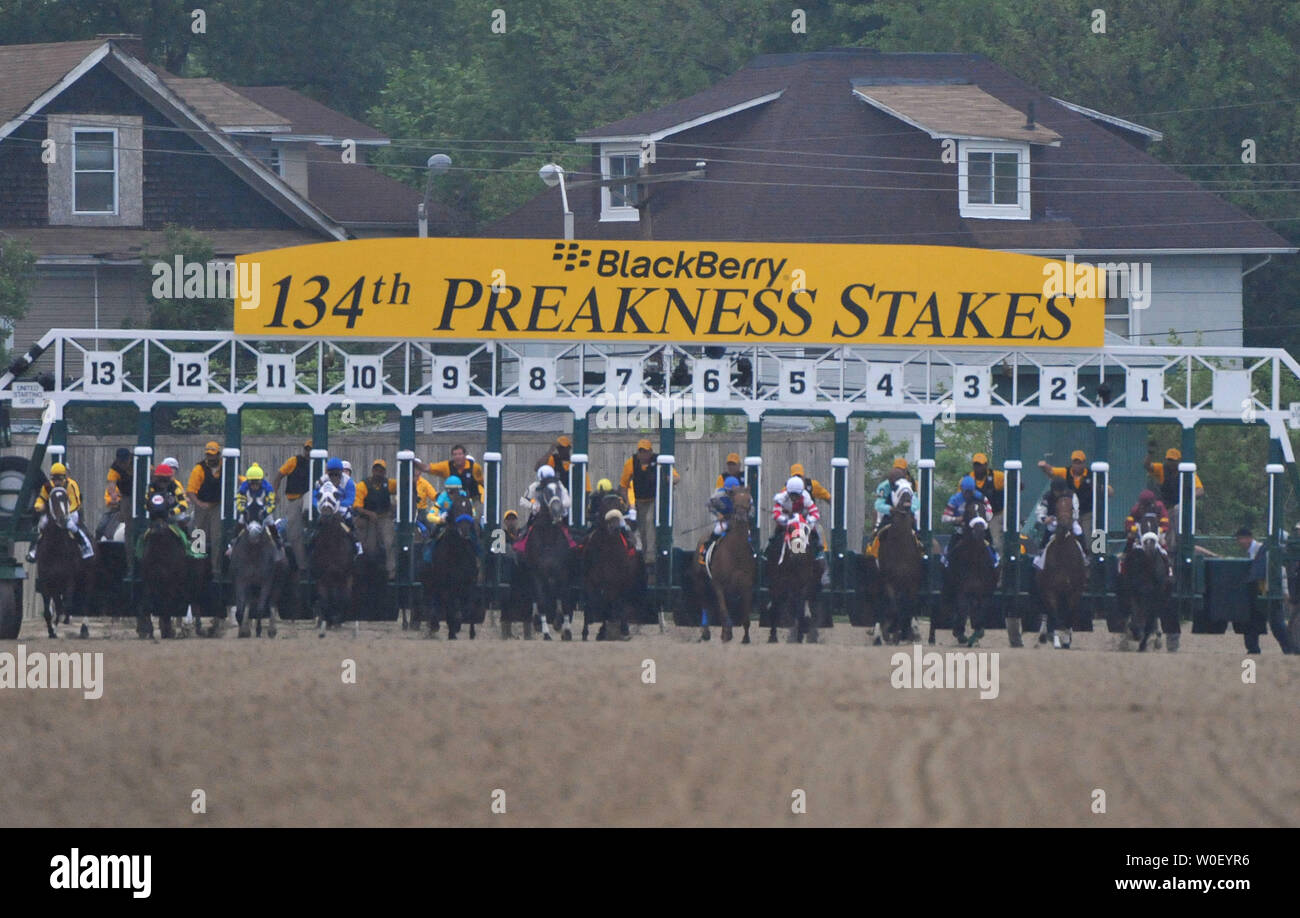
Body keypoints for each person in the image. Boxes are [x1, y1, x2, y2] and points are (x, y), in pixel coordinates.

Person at [619, 438, 679, 577]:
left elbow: (676, 477)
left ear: (651, 452)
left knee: (649, 521)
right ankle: (646, 557)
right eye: (641, 451)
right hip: (640, 502)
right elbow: (623, 485)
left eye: (646, 451)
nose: (643, 454)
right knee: (643, 530)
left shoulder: (659, 461)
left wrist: (669, 479)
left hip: (654, 500)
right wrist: (629, 504)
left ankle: (650, 559)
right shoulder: (631, 463)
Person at [1238, 527, 1295, 655]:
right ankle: (1286, 649)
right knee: (1269, 621)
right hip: (1263, 588)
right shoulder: (1268, 550)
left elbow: (1280, 572)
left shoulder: (1267, 550)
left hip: (1266, 588)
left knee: (1274, 622)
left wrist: (1283, 591)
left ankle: (1287, 649)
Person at [28, 462, 95, 561]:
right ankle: (34, 550)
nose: (57, 481)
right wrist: (38, 506)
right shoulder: (47, 486)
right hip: (52, 512)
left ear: (64, 477)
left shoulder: (71, 485)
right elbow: (41, 498)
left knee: (70, 524)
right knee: (42, 524)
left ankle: (84, 546)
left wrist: (66, 513)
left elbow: (75, 503)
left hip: (70, 512)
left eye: (59, 479)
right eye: (54, 479)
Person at [1038, 449, 1113, 536]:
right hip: (1069, 513)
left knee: (1085, 535)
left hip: (1087, 513)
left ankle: (1086, 549)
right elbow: (1051, 471)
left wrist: (1102, 488)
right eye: (1075, 462)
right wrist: (1043, 465)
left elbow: (1110, 492)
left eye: (1079, 463)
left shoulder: (1092, 475)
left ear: (1084, 463)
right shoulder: (1066, 472)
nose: (1077, 465)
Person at [1144, 447, 1205, 548]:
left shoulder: (1186, 472)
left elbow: (1200, 490)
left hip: (1179, 507)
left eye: (1173, 460)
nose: (1170, 463)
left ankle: (1180, 538)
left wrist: (1186, 498)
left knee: (1177, 510)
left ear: (1179, 461)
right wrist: (1150, 453)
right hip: (1165, 506)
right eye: (1169, 460)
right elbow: (1147, 466)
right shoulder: (1162, 469)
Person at [227, 463, 284, 558]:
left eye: (256, 483)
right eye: (252, 483)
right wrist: (243, 511)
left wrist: (266, 512)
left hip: (263, 512)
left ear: (261, 481)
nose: (254, 485)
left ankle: (278, 544)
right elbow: (239, 500)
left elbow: (272, 502)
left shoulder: (268, 487)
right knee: (240, 522)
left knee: (271, 523)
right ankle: (232, 543)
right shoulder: (244, 487)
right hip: (248, 512)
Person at [514, 465, 575, 553]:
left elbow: (568, 501)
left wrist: (558, 505)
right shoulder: (534, 486)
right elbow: (522, 501)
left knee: (567, 532)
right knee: (527, 530)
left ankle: (571, 545)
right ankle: (522, 545)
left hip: (557, 515)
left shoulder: (559, 485)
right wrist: (533, 506)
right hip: (539, 515)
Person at [272, 439, 313, 570]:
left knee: (309, 497)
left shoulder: (320, 463)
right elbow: (279, 475)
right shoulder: (294, 461)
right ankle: (303, 566)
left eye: (311, 449)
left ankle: (309, 522)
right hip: (294, 499)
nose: (309, 452)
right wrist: (275, 492)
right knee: (293, 534)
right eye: (307, 449)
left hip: (311, 499)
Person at [940, 475, 997, 567]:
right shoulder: (954, 500)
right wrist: (957, 519)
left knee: (990, 546)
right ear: (961, 489)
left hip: (978, 530)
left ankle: (995, 561)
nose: (968, 495)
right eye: (966, 492)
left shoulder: (981, 498)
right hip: (961, 531)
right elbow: (944, 518)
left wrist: (981, 518)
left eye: (970, 492)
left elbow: (990, 515)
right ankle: (946, 562)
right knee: (950, 550)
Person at [354, 459, 398, 578]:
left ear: (384, 472)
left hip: (385, 517)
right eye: (376, 470)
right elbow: (357, 506)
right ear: (372, 470)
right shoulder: (363, 485)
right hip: (369, 519)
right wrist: (369, 513)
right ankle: (371, 572)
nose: (378, 473)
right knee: (370, 547)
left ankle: (391, 572)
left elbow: (403, 485)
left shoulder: (388, 483)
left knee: (390, 542)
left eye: (381, 470)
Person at [186, 440, 224, 574]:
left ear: (218, 454)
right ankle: (196, 567)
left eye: (212, 454)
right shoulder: (199, 468)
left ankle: (216, 569)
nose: (210, 457)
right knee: (198, 534)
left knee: (217, 536)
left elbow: (237, 480)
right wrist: (200, 504)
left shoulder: (225, 466)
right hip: (202, 505)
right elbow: (190, 491)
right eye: (208, 454)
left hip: (218, 506)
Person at [313, 457, 363, 556]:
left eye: (337, 474)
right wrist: (319, 505)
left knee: (348, 520)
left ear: (341, 473)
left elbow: (350, 498)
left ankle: (356, 542)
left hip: (341, 508)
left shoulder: (348, 481)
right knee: (315, 521)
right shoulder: (322, 481)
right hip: (325, 508)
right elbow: (314, 496)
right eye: (332, 474)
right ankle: (311, 540)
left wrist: (338, 504)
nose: (334, 477)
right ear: (328, 472)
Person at [1032, 477, 1086, 570]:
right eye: (1058, 491)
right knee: (1049, 529)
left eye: (1062, 491)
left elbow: (1076, 511)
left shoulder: (1072, 495)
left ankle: (1085, 554)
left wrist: (1069, 519)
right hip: (1054, 521)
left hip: (1069, 521)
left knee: (1078, 530)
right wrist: (1045, 519)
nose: (1060, 493)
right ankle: (1040, 555)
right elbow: (1040, 512)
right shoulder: (1047, 496)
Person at [769, 475, 822, 562]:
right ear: (788, 493)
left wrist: (808, 520)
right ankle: (768, 552)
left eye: (796, 495)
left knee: (814, 532)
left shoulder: (806, 498)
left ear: (801, 493)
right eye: (792, 495)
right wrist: (784, 519)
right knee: (775, 536)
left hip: (802, 522)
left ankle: (818, 552)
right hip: (786, 523)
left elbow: (815, 513)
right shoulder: (782, 498)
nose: (794, 498)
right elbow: (776, 514)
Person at [422, 445, 485, 516]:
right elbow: (427, 468)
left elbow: (481, 482)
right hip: (454, 500)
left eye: (460, 454)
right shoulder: (447, 466)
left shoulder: (475, 468)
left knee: (475, 518)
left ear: (465, 456)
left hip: (472, 499)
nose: (458, 457)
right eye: (455, 454)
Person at [970, 453, 1008, 548]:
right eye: (976, 465)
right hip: (978, 517)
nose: (979, 468)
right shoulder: (968, 479)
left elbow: (1014, 483)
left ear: (986, 465)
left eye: (981, 464)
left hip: (998, 514)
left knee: (1017, 533)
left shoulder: (997, 476)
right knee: (996, 543)